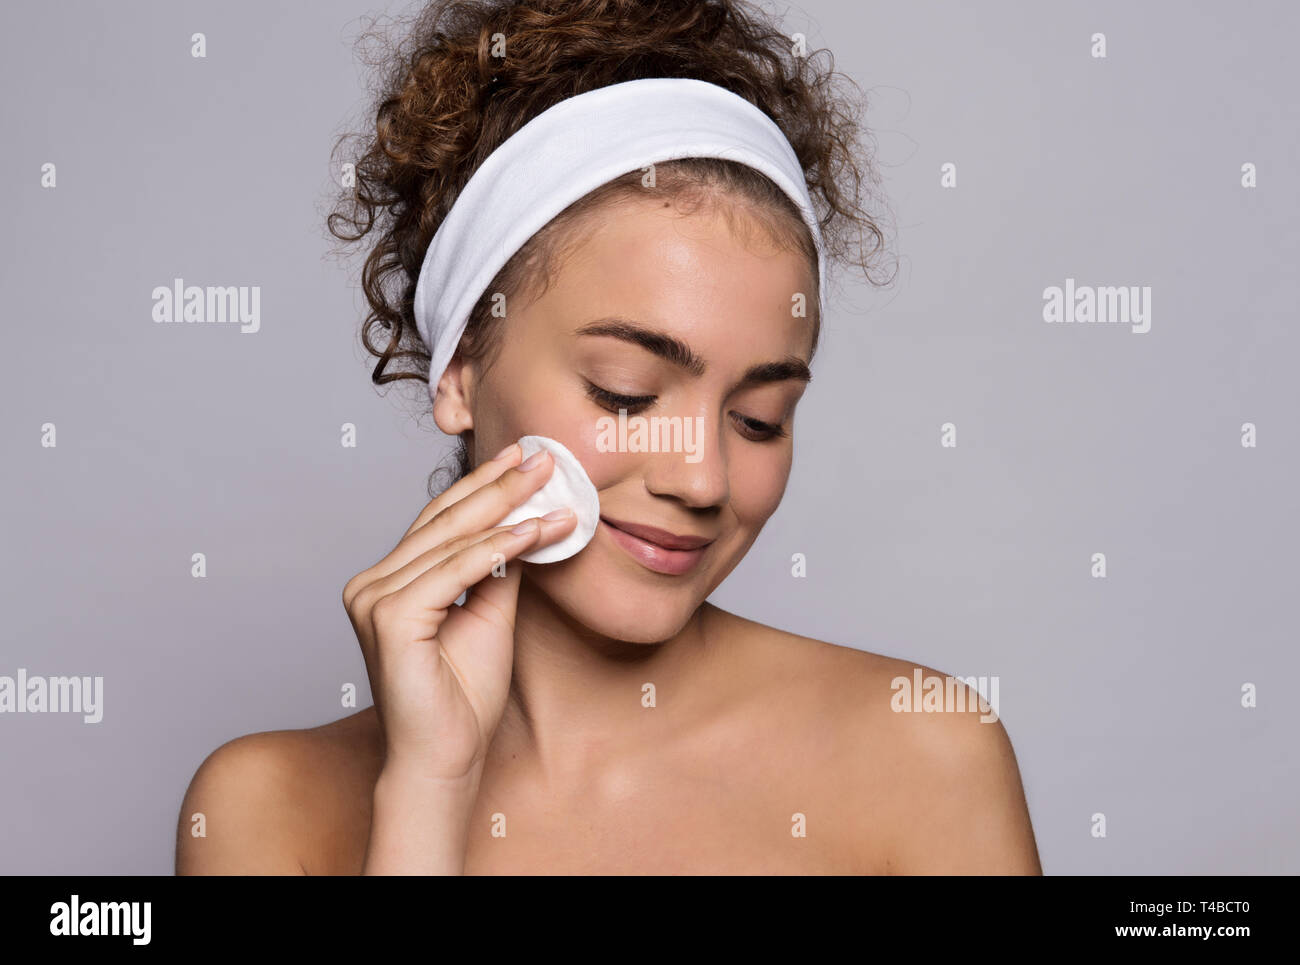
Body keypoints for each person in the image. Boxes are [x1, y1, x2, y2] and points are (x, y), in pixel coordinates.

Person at [176, 0, 1041, 875]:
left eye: (758, 419)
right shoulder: (271, 811)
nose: (703, 480)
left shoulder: (921, 755)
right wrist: (430, 789)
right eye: (626, 394)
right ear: (461, 374)